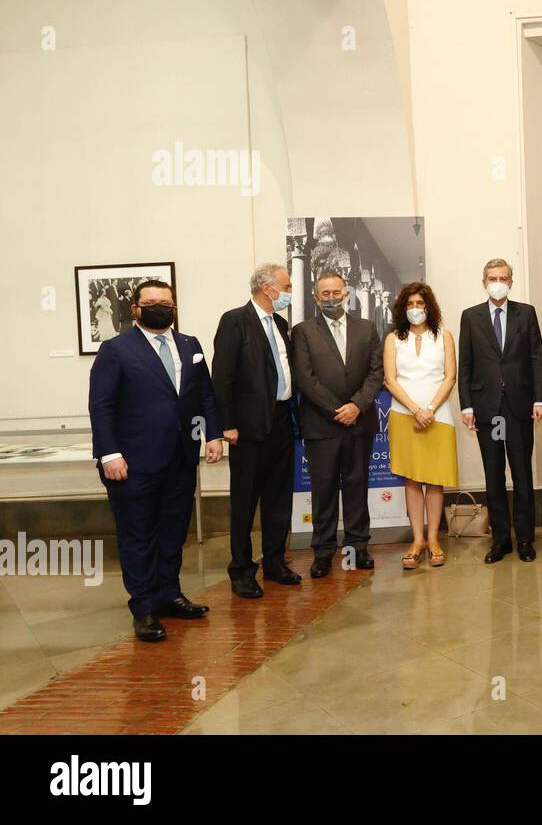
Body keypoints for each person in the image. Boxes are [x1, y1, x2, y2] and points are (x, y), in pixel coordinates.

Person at [88, 280, 223, 642]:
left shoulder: (189, 345)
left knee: (173, 531)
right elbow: (101, 406)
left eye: (165, 302)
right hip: (132, 463)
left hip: (181, 457)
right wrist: (109, 454)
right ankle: (144, 607)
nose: (159, 307)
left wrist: (213, 434)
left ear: (174, 307)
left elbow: (205, 395)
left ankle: (169, 594)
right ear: (135, 309)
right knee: (138, 535)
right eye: (151, 302)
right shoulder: (116, 349)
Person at [211, 263, 301, 599]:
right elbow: (222, 376)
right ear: (268, 288)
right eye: (287, 285)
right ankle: (241, 570)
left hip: (281, 420)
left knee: (278, 499)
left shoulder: (280, 323)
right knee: (245, 501)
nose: (289, 292)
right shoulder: (235, 320)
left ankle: (275, 563)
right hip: (247, 428)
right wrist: (226, 423)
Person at [290, 271, 384, 578]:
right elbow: (305, 378)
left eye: (337, 292)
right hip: (322, 424)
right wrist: (337, 410)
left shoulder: (367, 328)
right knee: (324, 489)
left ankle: (358, 547)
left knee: (357, 486)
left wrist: (357, 405)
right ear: (316, 298)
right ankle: (323, 551)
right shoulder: (303, 331)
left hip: (360, 422)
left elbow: (375, 373)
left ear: (348, 293)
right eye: (325, 294)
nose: (332, 298)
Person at [458, 258, 542, 563]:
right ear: (484, 282)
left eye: (503, 277)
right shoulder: (470, 317)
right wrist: (467, 405)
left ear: (511, 282)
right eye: (492, 278)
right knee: (493, 475)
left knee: (522, 474)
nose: (498, 282)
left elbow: (537, 357)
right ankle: (500, 541)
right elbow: (465, 364)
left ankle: (525, 539)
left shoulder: (527, 313)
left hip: (519, 407)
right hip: (488, 410)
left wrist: (540, 399)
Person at [384, 282, 458, 570]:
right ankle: (417, 541)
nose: (415, 309)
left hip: (438, 415)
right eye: (410, 304)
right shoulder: (393, 339)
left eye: (420, 304)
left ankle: (434, 539)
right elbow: (390, 380)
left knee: (435, 478)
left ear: (429, 307)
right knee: (412, 478)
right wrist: (415, 410)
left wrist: (429, 409)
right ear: (403, 308)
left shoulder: (444, 336)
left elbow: (449, 377)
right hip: (404, 414)